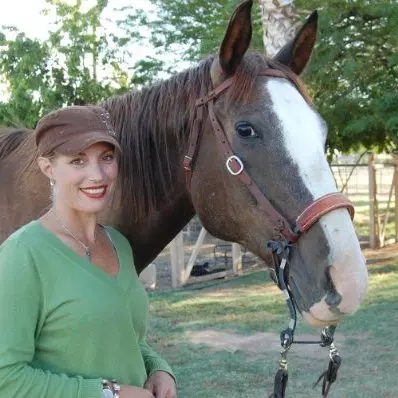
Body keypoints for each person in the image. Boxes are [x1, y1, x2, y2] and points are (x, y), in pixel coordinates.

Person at [0, 105, 177, 398]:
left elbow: (126, 336)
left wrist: (158, 367)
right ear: (48, 168)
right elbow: (6, 378)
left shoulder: (119, 244)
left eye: (106, 158)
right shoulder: (23, 255)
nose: (97, 175)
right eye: (78, 161)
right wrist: (110, 393)